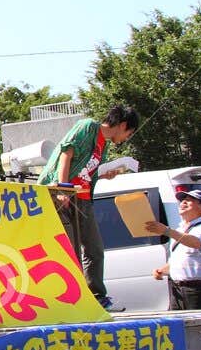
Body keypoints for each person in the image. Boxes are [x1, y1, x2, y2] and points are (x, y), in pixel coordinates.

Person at [37, 104, 140, 312]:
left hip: (83, 197)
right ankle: (74, 299)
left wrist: (106, 173)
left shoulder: (104, 145)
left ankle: (97, 296)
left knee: (94, 248)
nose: (127, 138)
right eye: (129, 133)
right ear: (123, 125)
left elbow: (87, 172)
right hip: (64, 194)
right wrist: (62, 189)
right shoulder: (88, 126)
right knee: (71, 249)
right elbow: (66, 154)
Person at [146, 187, 201, 310]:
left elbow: (195, 242)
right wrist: (161, 270)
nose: (183, 202)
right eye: (183, 200)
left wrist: (166, 230)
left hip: (198, 291)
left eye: (190, 200)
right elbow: (178, 261)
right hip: (177, 290)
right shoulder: (179, 231)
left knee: (197, 327)